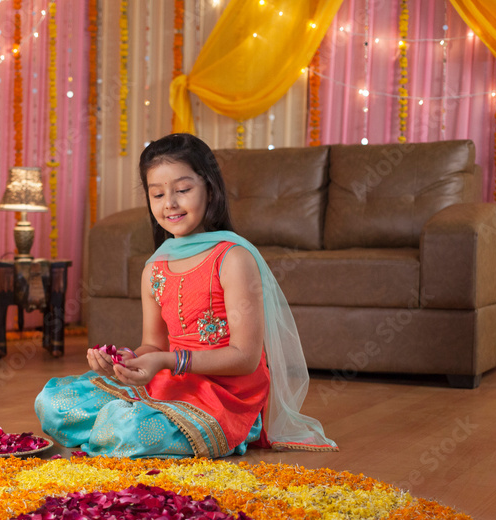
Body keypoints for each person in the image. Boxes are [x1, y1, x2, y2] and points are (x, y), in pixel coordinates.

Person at [35, 133, 336, 458]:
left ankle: (139, 428)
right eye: (158, 194)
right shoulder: (154, 269)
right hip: (169, 380)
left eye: (183, 190)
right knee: (53, 404)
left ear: (210, 189)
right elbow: (153, 346)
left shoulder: (232, 258)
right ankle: (118, 428)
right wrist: (124, 361)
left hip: (226, 394)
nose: (170, 203)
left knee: (125, 427)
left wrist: (168, 361)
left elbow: (246, 358)